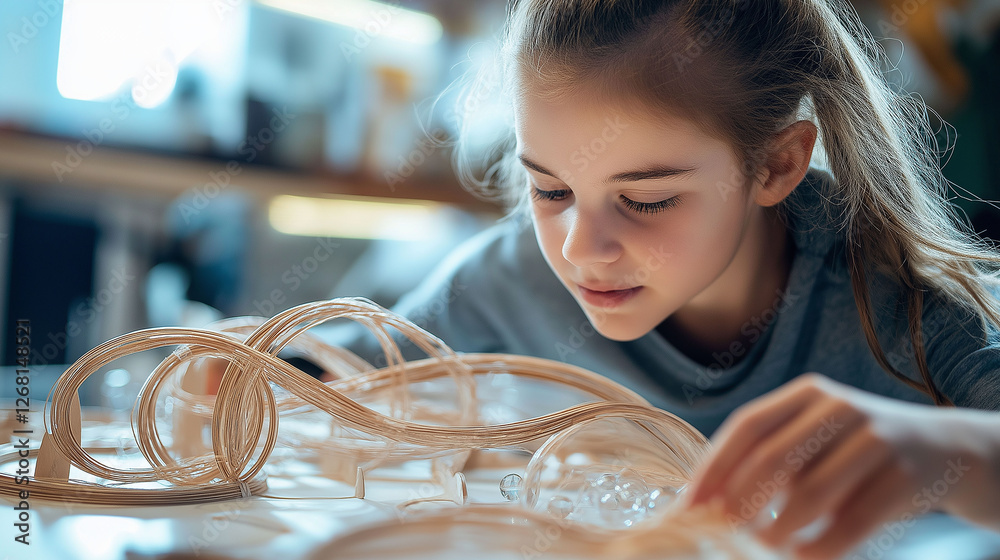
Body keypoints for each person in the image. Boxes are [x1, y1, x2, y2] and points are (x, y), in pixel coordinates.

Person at [296, 0, 1000, 557]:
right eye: (550, 190)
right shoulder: (507, 278)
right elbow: (339, 383)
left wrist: (956, 453)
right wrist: (277, 380)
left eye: (647, 199)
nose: (582, 249)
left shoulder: (899, 307)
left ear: (777, 165)